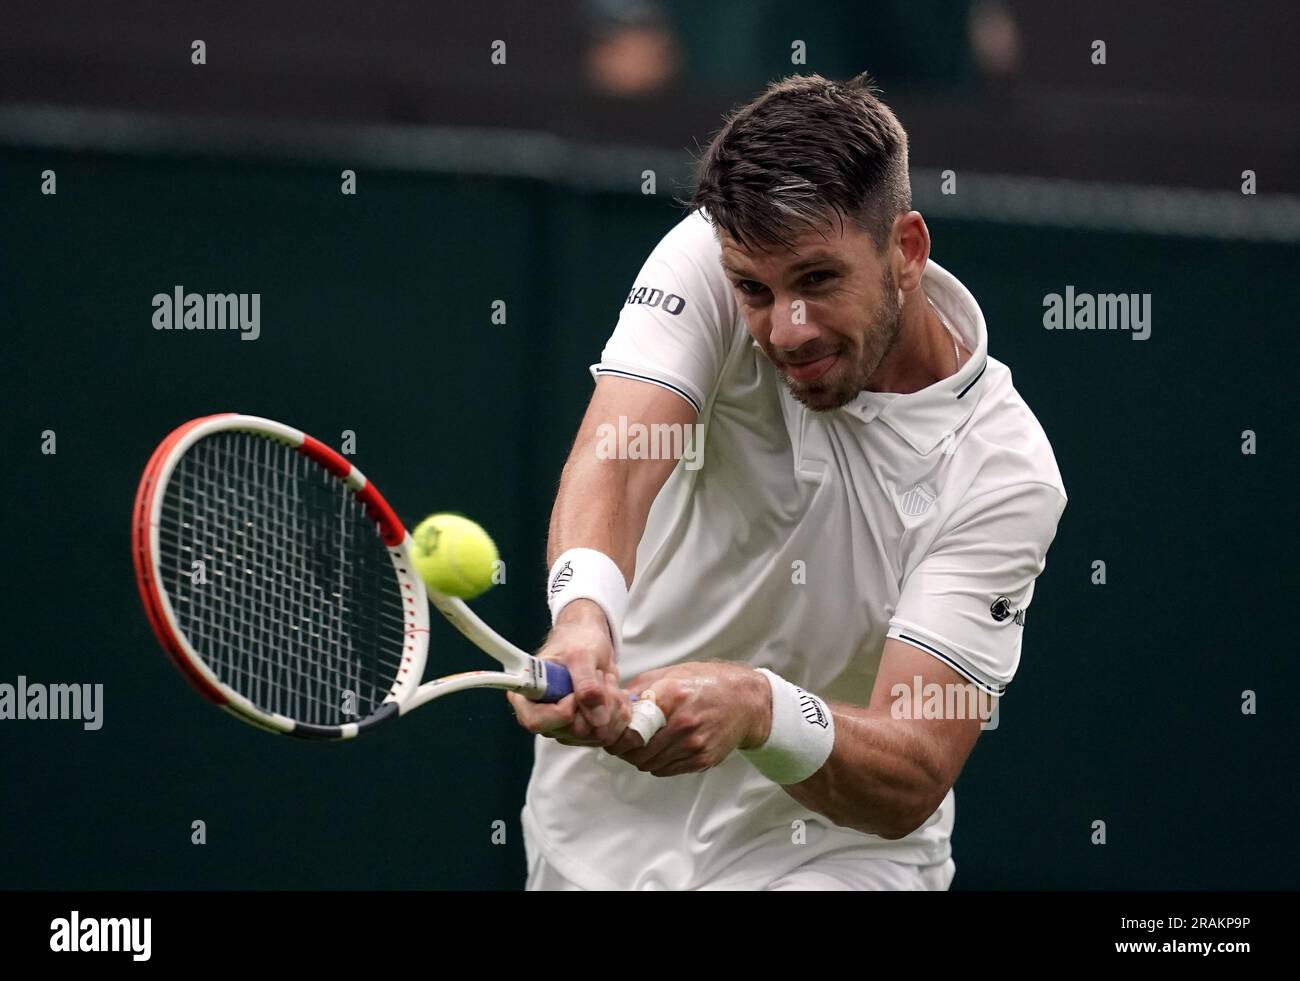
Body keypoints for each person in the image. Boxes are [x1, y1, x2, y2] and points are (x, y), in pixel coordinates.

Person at [508, 72, 1066, 890]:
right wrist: (584, 618)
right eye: (755, 292)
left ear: (906, 250)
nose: (786, 328)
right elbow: (618, 460)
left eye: (817, 281)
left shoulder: (1005, 472)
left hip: (833, 855)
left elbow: (913, 765)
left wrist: (761, 710)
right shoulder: (709, 249)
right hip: (596, 837)